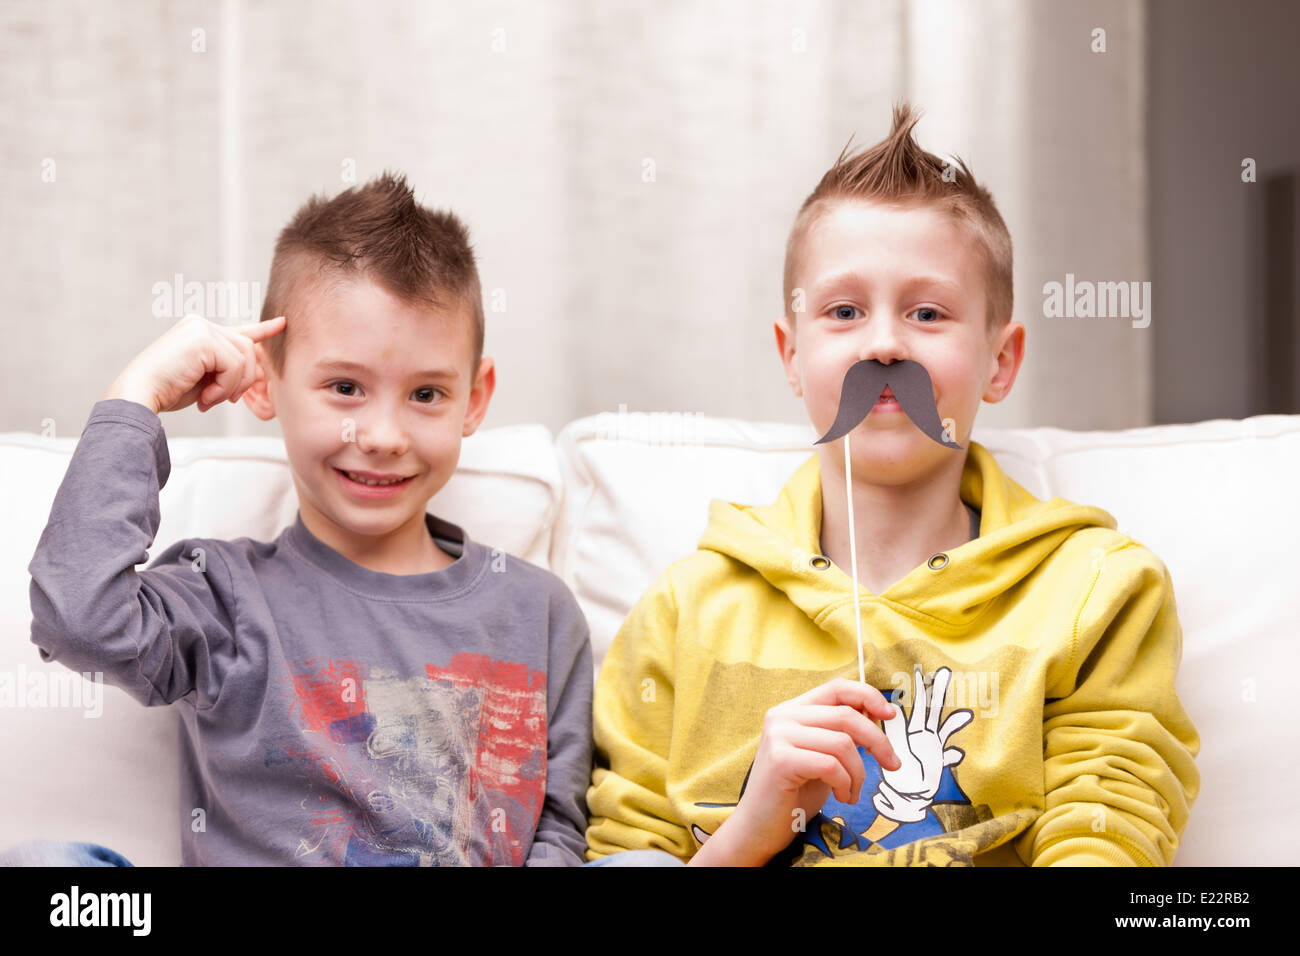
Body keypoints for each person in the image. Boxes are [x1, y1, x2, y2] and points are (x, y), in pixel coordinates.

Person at [585, 104, 1199, 867]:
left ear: (999, 362)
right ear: (791, 354)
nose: (883, 343)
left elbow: (1108, 838)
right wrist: (752, 824)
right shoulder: (684, 613)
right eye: (844, 311)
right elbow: (626, 846)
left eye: (927, 312)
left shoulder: (1096, 592)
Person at [13, 172, 592, 866]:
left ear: (475, 398)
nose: (382, 434)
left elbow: (558, 832)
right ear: (263, 381)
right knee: (47, 868)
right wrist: (137, 396)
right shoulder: (222, 593)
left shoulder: (538, 613)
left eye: (427, 393)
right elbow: (78, 620)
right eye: (344, 388)